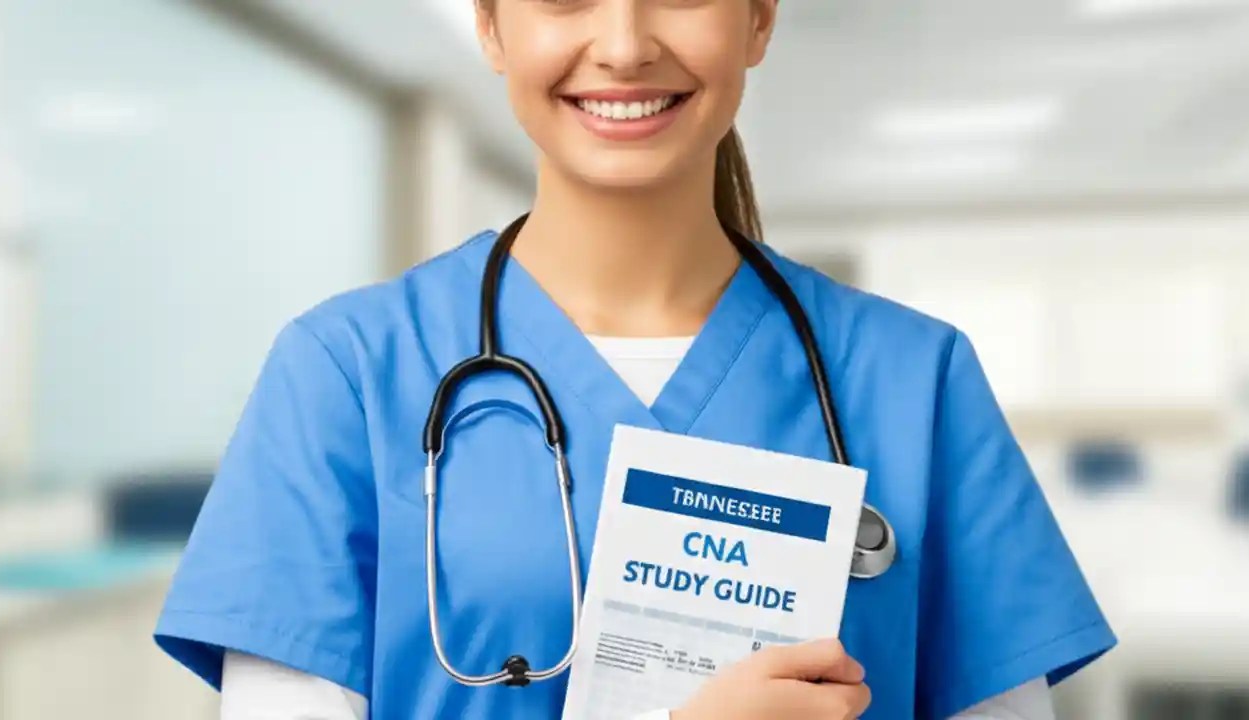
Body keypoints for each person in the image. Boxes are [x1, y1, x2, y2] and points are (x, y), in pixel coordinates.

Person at [154, 1, 1117, 718]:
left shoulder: (916, 381)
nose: (622, 43)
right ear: (490, 25)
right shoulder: (347, 374)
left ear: (759, 20)